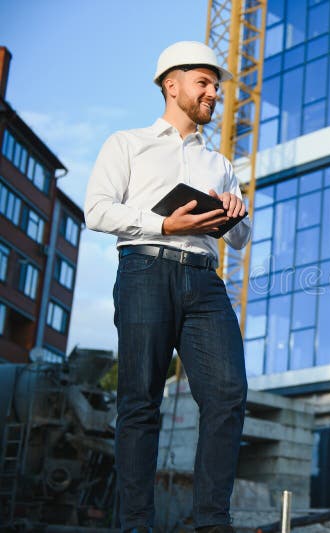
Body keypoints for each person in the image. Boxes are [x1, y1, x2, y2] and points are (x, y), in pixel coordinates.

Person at [84, 41, 252, 533]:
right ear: (170, 84)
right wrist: (162, 226)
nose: (213, 93)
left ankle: (212, 523)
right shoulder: (127, 143)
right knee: (140, 401)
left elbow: (240, 239)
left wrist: (235, 212)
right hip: (144, 270)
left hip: (204, 280)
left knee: (227, 395)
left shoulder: (219, 164)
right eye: (203, 83)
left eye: (216, 86)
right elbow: (97, 210)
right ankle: (136, 524)